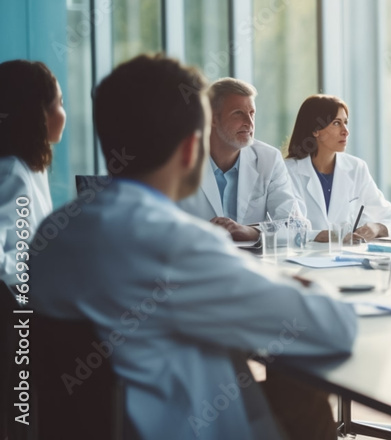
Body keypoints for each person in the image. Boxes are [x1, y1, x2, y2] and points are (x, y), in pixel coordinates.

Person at [30, 54, 357, 440]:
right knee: (303, 391)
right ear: (192, 149)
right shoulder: (175, 243)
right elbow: (333, 328)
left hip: (106, 425)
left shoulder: (53, 232)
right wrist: (306, 287)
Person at [177, 77, 304, 241]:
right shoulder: (180, 159)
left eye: (252, 113)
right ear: (212, 118)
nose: (249, 123)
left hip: (253, 262)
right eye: (238, 113)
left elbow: (294, 226)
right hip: (194, 260)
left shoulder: (269, 159)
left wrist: (252, 233)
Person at [284, 95, 391, 242]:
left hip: (348, 260)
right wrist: (320, 236)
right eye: (336, 123)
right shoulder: (287, 171)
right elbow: (283, 228)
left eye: (346, 123)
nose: (345, 131)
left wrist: (377, 228)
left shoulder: (356, 169)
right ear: (315, 130)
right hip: (303, 261)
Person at [0, 60, 64, 289]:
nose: (64, 113)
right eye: (59, 103)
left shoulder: (31, 168)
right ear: (39, 113)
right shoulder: (11, 173)